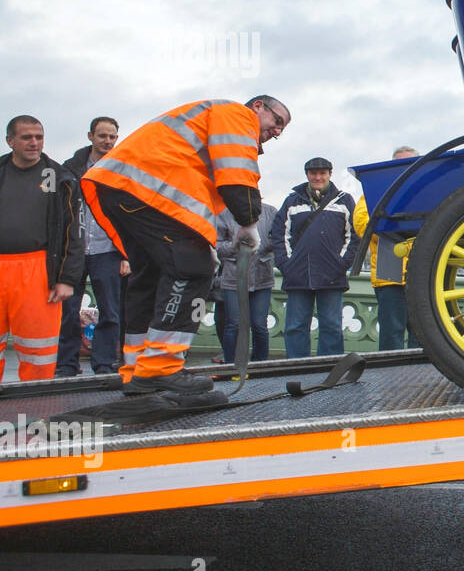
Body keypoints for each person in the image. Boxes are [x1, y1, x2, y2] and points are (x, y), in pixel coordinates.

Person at [81, 96, 290, 396]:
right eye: (277, 121)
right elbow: (237, 175)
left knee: (149, 277)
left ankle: (137, 367)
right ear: (258, 106)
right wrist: (248, 221)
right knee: (193, 267)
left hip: (123, 188)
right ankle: (160, 368)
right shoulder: (237, 116)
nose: (278, 131)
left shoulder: (206, 119)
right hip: (149, 191)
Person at [0, 116, 83, 380]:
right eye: (26, 137)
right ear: (10, 140)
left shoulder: (60, 178)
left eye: (39, 137)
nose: (34, 143)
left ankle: (34, 412)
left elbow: (74, 231)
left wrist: (67, 279)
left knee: (39, 351)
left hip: (38, 269)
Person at [56, 117, 131, 376]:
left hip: (108, 250)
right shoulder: (70, 168)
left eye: (112, 136)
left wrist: (126, 255)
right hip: (75, 250)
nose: (107, 141)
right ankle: (66, 364)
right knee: (68, 311)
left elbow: (128, 216)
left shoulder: (123, 170)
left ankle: (105, 363)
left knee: (110, 311)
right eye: (102, 136)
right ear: (90, 136)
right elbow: (60, 213)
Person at [272, 157, 360, 358]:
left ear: (330, 174)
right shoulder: (291, 201)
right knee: (295, 326)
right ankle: (297, 366)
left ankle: (329, 367)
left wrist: (342, 263)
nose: (318, 177)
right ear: (307, 175)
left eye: (322, 173)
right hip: (298, 274)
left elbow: (354, 236)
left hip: (332, 275)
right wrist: (286, 265)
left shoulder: (344, 201)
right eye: (313, 173)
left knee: (332, 326)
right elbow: (279, 235)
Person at [353, 146, 419, 350]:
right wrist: (401, 228)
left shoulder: (423, 191)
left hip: (420, 270)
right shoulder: (374, 191)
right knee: (392, 332)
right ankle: (392, 377)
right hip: (388, 267)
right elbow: (361, 224)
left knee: (422, 333)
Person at [215, 201, 279, 362]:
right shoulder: (224, 214)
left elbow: (278, 240)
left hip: (261, 278)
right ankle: (232, 365)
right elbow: (217, 245)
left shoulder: (270, 212)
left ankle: (260, 365)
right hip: (233, 279)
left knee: (259, 325)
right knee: (233, 324)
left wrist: (259, 245)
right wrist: (236, 246)